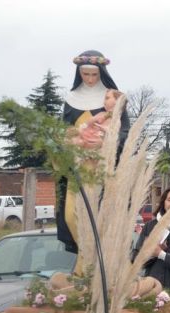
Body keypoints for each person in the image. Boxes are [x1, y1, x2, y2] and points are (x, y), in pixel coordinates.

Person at [59, 49, 130, 267]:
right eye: (85, 75)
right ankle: (87, 258)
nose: (89, 79)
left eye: (94, 75)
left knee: (99, 218)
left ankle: (95, 266)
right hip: (78, 168)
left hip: (102, 170)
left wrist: (105, 143)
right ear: (79, 74)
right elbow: (64, 132)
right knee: (72, 215)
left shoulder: (111, 99)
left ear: (102, 74)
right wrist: (72, 140)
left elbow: (124, 132)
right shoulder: (71, 101)